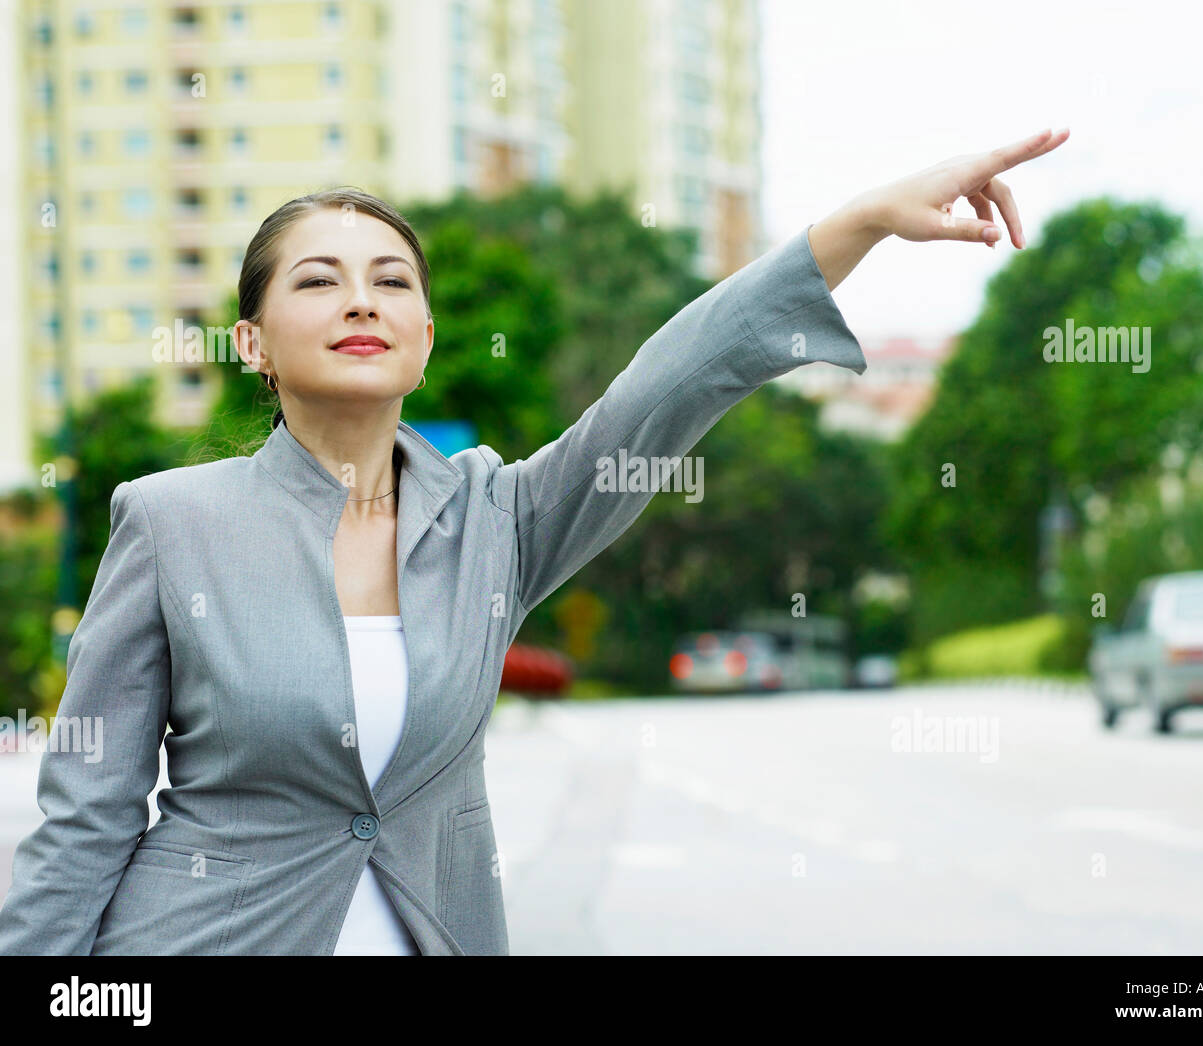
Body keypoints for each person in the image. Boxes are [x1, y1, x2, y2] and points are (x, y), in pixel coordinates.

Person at [0, 129, 1068, 955]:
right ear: (253, 341)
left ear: (422, 338)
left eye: (392, 281)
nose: (360, 298)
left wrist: (864, 220)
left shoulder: (493, 518)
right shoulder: (170, 520)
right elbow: (85, 814)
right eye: (317, 278)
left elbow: (668, 384)